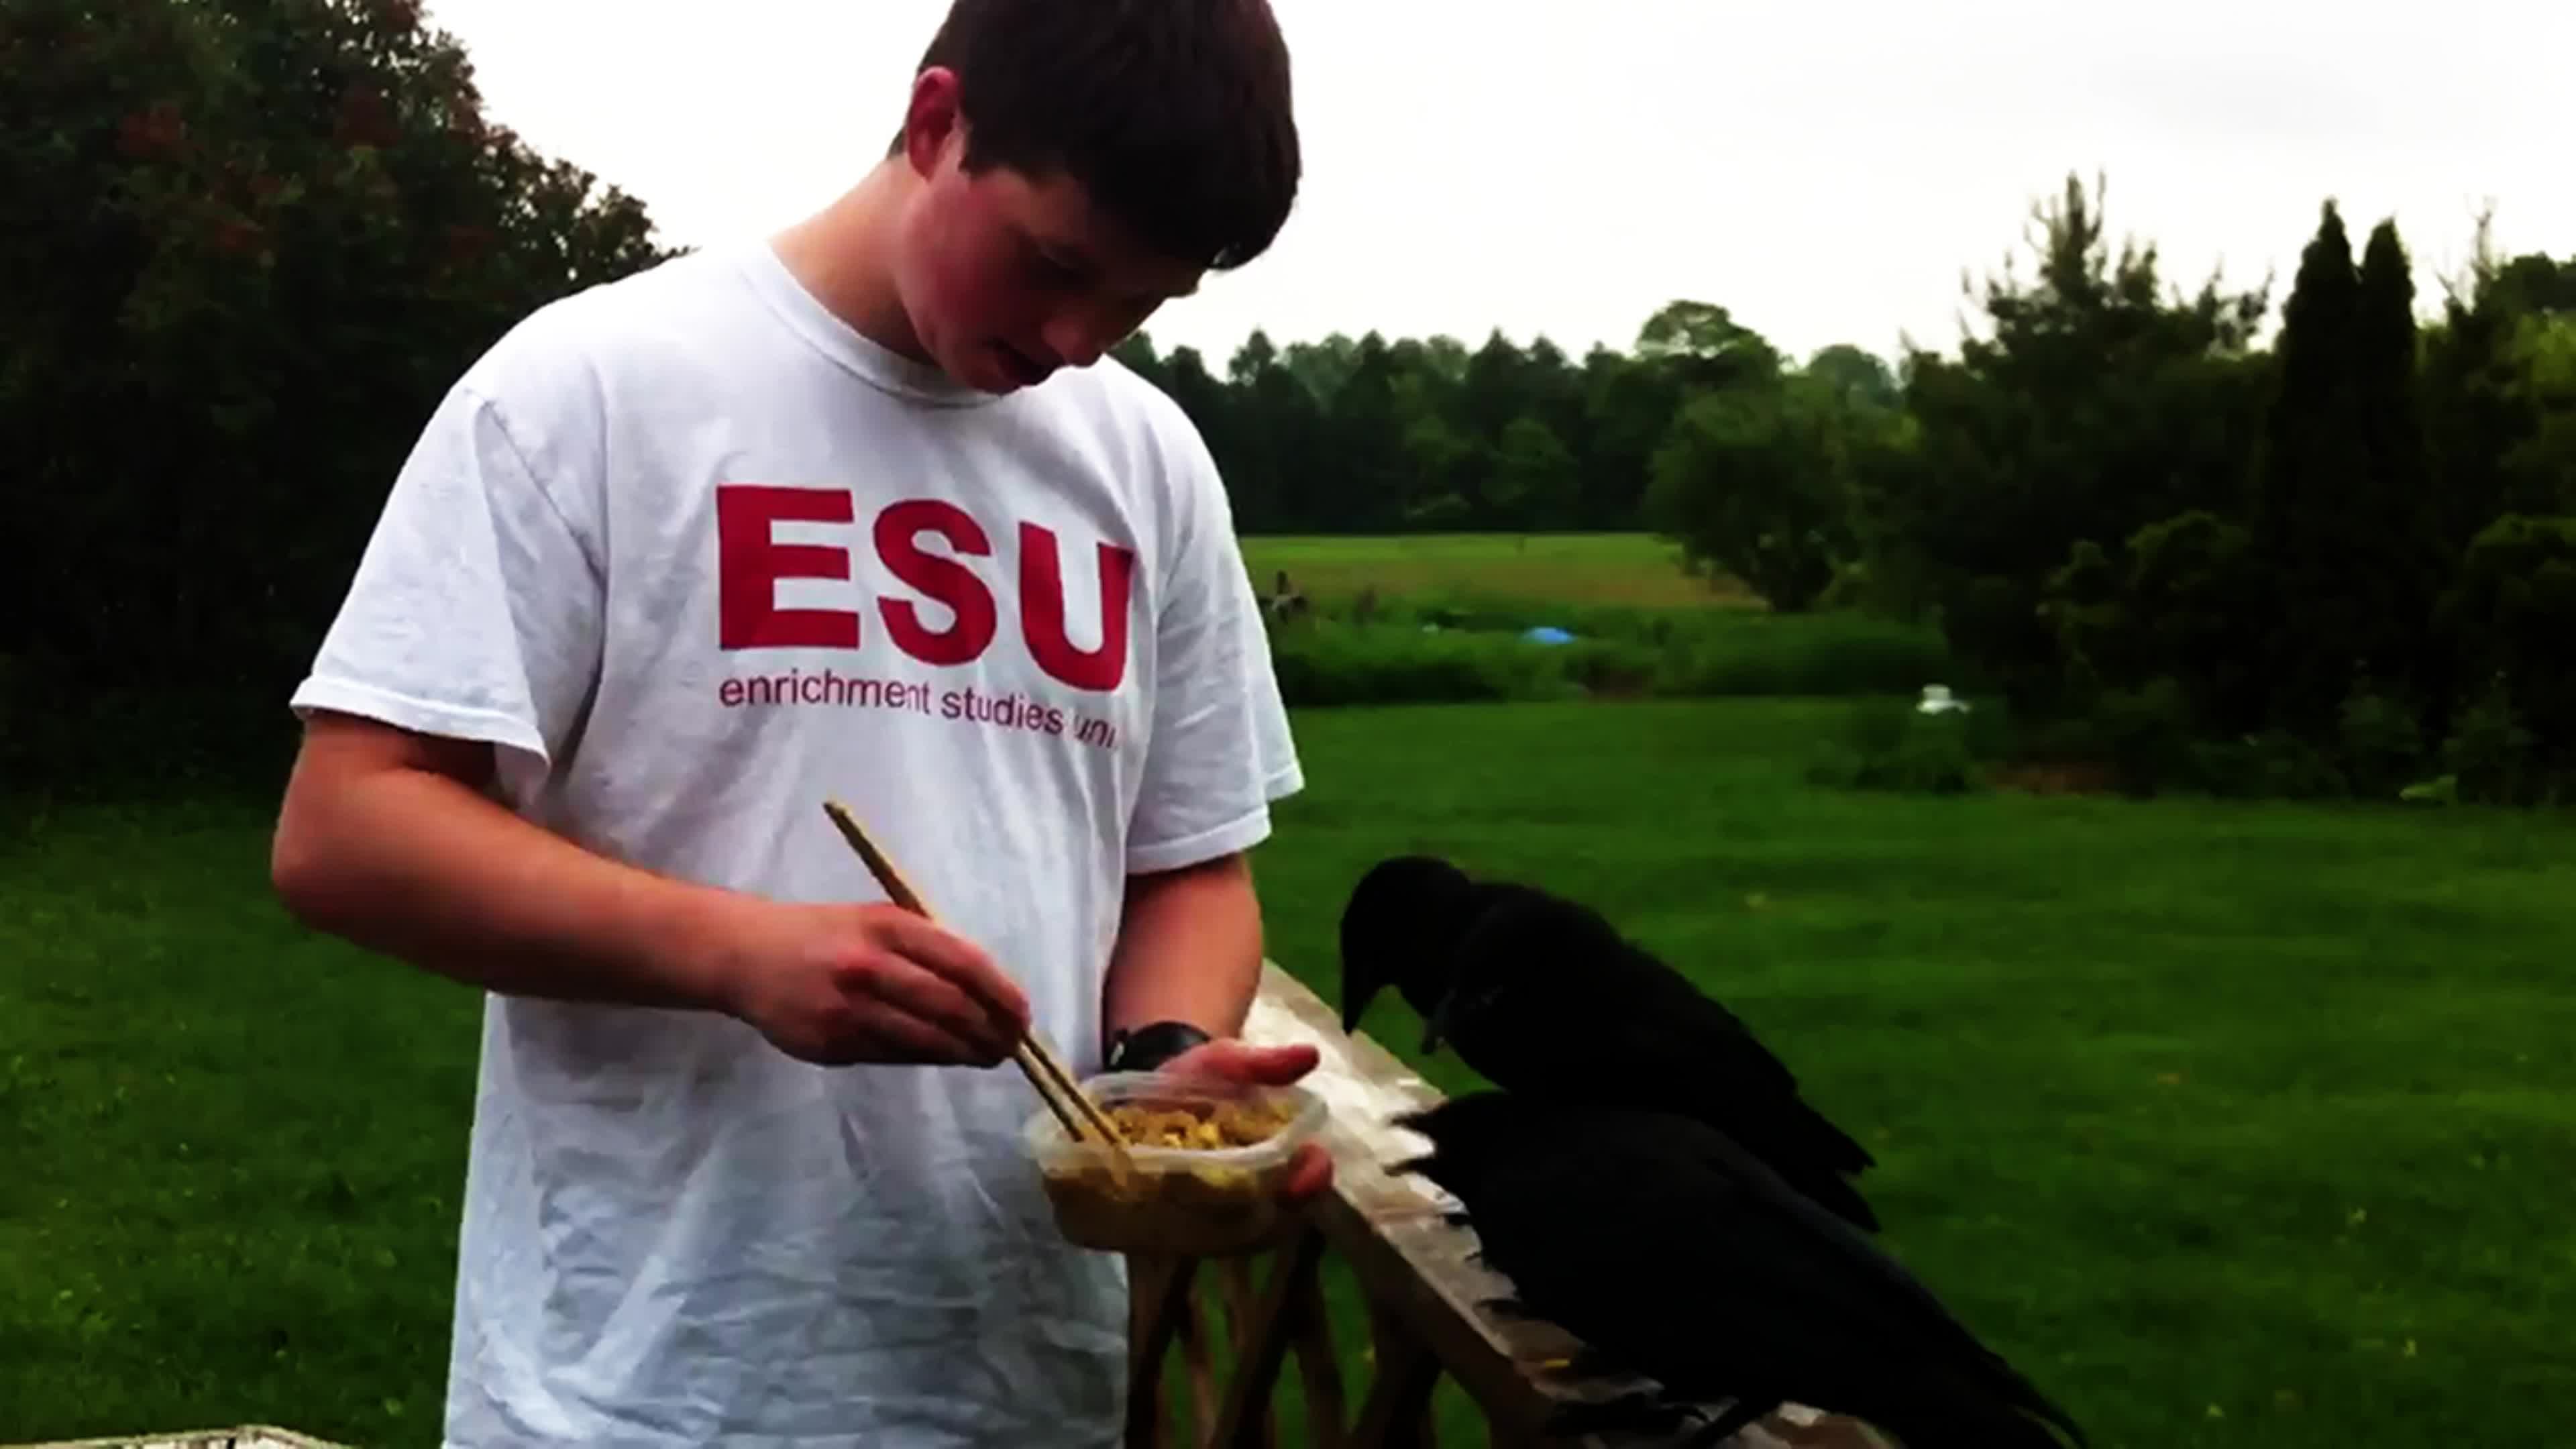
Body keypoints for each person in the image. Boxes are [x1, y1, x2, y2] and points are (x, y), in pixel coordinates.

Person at [267, 1, 1324, 1444]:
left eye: (1138, 306)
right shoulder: (596, 388)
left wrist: (1151, 1081)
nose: (1079, 341)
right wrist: (741, 955)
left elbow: (1188, 863)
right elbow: (347, 828)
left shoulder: (1145, 465)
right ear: (937, 119)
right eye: (1056, 264)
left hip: (1021, 1388)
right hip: (640, 1392)